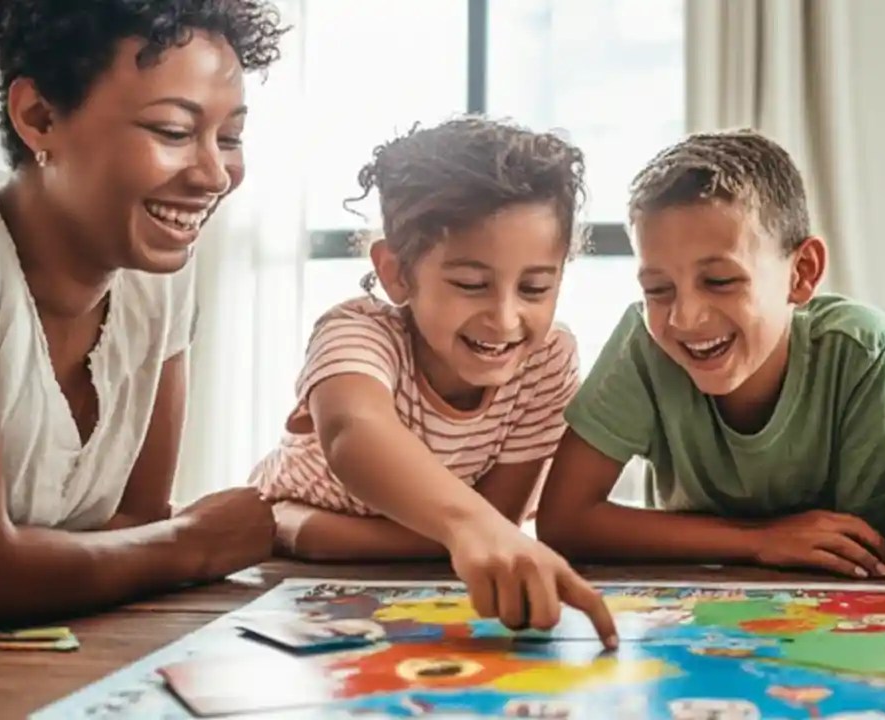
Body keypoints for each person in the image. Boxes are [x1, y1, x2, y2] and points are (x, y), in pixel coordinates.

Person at [0, 0, 288, 626]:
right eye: (172, 131)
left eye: (230, 137)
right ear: (39, 117)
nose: (215, 174)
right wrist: (196, 541)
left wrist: (149, 545)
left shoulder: (157, 274)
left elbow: (136, 526)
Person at [252, 118, 616, 645]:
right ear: (397, 273)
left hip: (393, 563)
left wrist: (304, 531)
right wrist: (467, 530)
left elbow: (500, 519)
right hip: (290, 576)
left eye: (536, 287)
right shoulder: (356, 332)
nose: (506, 317)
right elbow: (355, 432)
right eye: (471, 284)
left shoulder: (547, 359)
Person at [537, 130, 885, 577]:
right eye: (658, 289)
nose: (684, 318)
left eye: (720, 282)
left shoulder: (861, 351)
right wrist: (760, 541)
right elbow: (563, 521)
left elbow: (884, 547)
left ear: (801, 273)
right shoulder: (644, 345)